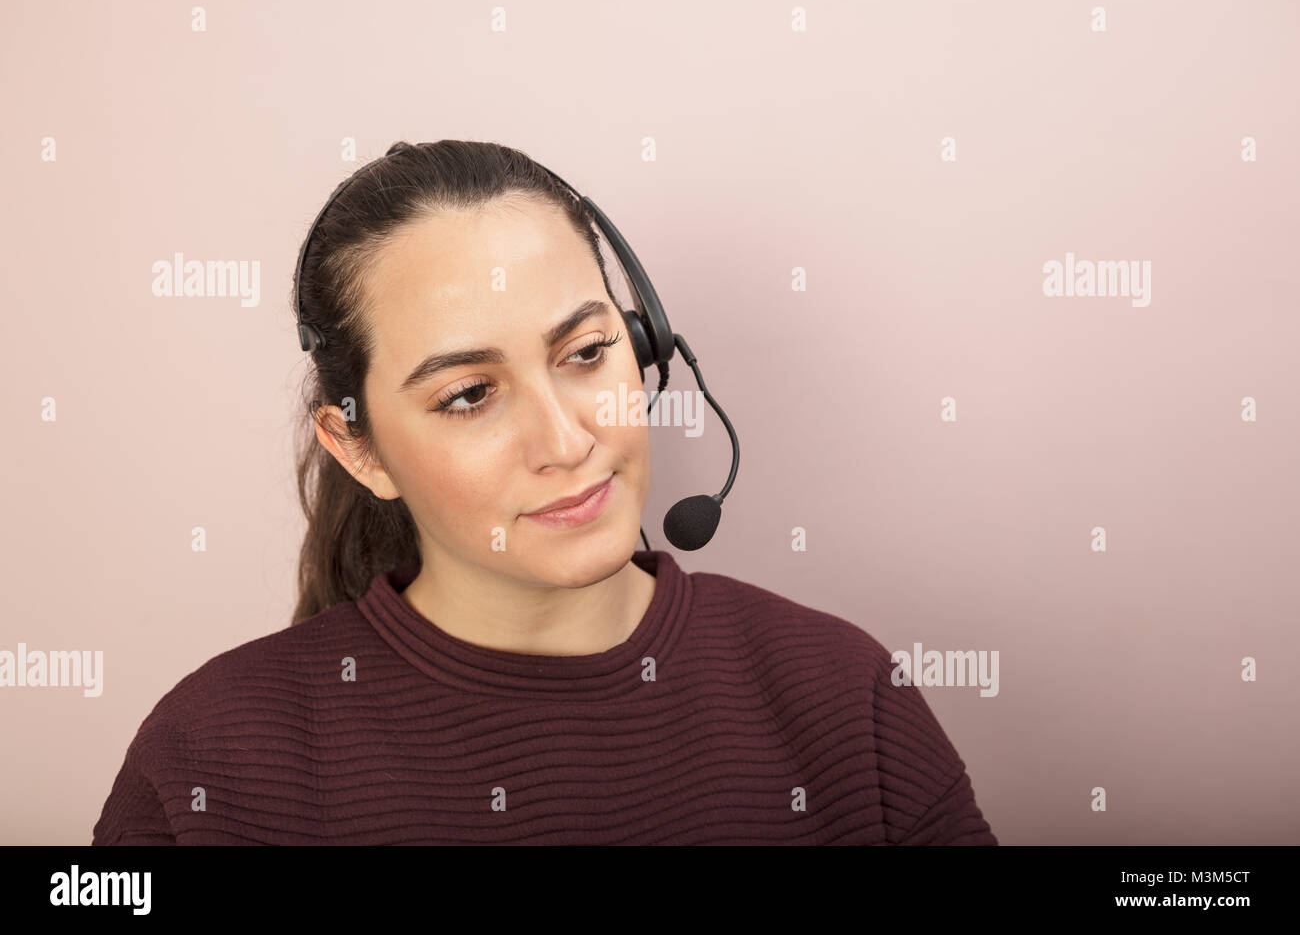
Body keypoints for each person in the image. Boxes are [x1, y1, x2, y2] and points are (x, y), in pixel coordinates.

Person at [92, 139, 997, 845]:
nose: (568, 442)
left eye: (587, 353)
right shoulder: (211, 760)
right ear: (358, 450)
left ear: (644, 344)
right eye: (469, 396)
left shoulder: (843, 694)